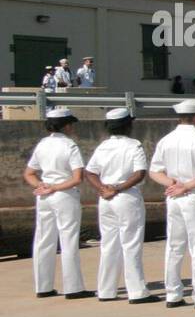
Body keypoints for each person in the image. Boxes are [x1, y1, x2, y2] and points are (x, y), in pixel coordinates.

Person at [149, 99, 195, 309]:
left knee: (174, 245)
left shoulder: (166, 140)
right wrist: (186, 186)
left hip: (174, 196)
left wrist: (172, 183)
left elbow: (154, 171)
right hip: (194, 196)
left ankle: (173, 293)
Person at [84, 108, 156, 303]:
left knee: (109, 244)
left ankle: (106, 290)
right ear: (128, 126)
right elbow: (139, 173)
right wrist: (117, 188)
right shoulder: (134, 145)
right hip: (125, 196)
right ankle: (137, 291)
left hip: (105, 198)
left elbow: (90, 172)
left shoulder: (103, 146)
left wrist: (102, 188)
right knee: (131, 243)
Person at [24, 107, 92, 299]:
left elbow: (28, 173)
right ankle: (73, 287)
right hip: (64, 194)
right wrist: (55, 187)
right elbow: (78, 177)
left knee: (43, 239)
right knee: (68, 239)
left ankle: (43, 286)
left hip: (44, 196)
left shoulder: (43, 144)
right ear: (67, 125)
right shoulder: (69, 146)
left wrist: (42, 185)